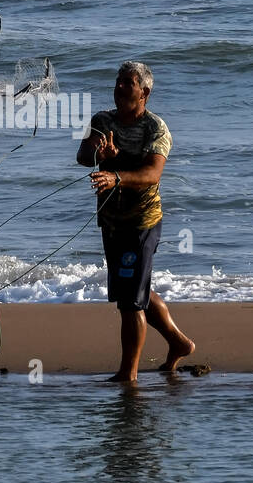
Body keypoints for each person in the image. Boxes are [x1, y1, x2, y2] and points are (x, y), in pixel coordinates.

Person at [77, 61, 195, 382]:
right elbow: (83, 157)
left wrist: (116, 174)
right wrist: (100, 153)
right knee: (133, 290)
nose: (119, 88)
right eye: (117, 81)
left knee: (130, 302)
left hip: (142, 222)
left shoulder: (157, 128)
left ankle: (128, 375)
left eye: (127, 83)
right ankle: (179, 342)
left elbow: (151, 173)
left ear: (144, 92)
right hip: (111, 221)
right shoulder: (101, 120)